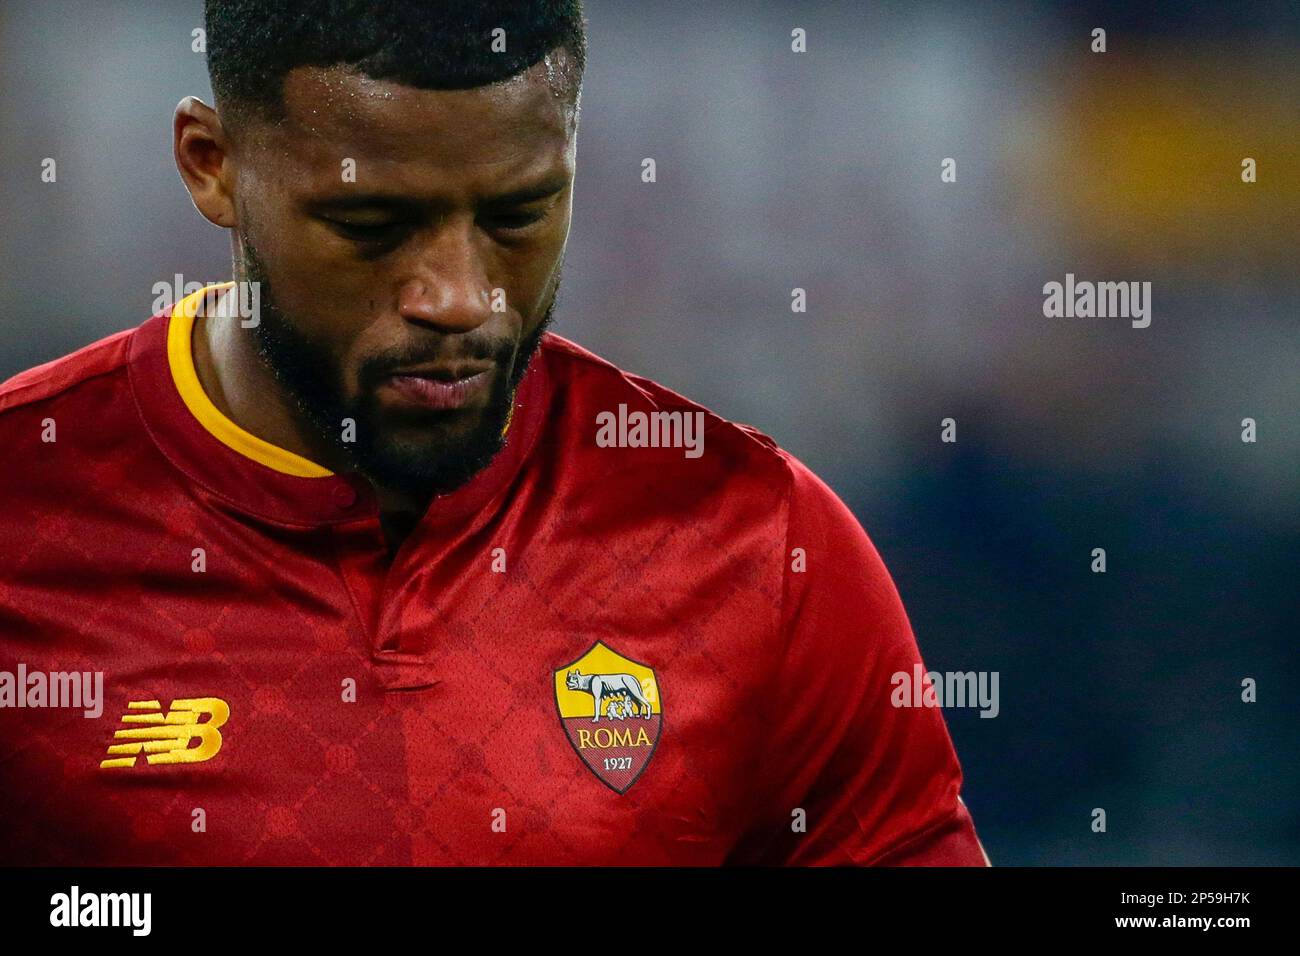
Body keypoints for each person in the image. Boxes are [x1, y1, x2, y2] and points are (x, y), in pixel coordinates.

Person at [0, 0, 988, 866]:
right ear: (212, 166)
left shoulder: (756, 547)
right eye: (374, 224)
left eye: (519, 213)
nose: (460, 300)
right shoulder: (25, 517)